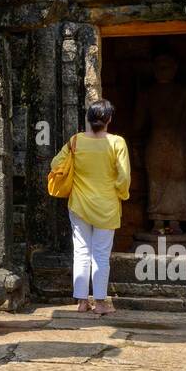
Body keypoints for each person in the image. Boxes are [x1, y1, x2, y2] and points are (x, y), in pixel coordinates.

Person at [50, 99, 131, 315]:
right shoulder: (117, 143)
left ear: (88, 119)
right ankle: (101, 303)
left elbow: (55, 164)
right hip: (106, 205)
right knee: (101, 255)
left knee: (81, 252)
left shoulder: (76, 141)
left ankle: (82, 302)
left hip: (79, 204)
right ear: (109, 120)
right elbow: (124, 177)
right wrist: (121, 194)